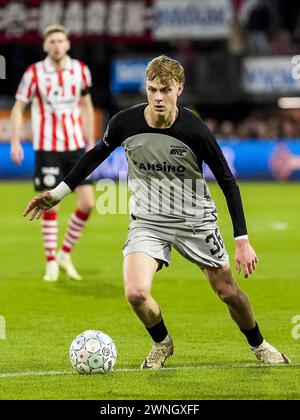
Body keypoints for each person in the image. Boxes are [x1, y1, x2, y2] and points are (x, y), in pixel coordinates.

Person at [23, 55, 290, 368]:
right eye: (152, 90)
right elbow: (95, 156)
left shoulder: (195, 129)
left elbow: (227, 180)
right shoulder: (125, 122)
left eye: (165, 90)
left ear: (179, 88)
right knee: (135, 293)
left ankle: (259, 346)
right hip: (148, 222)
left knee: (228, 292)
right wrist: (58, 194)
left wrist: (242, 238)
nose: (158, 97)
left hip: (196, 221)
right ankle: (162, 343)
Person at [11, 25, 95, 282]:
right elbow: (17, 108)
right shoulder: (34, 73)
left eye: (61, 40)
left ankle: (64, 253)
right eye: (52, 41)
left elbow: (87, 106)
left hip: (76, 145)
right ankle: (50, 261)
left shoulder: (80, 70)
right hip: (47, 146)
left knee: (88, 203)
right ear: (46, 46)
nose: (57, 45)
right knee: (49, 205)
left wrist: (90, 140)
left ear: (67, 44)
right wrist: (15, 140)